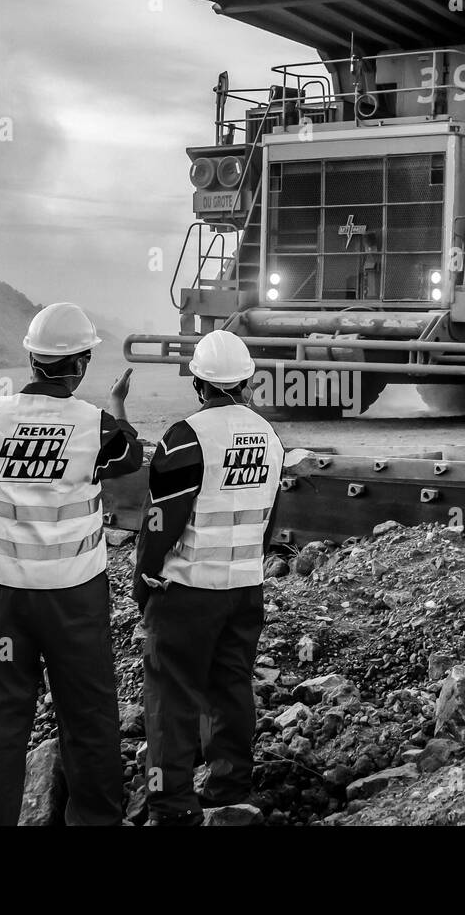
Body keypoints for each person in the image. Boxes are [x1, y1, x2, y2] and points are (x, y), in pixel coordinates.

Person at [0, 302, 142, 826]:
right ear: (81, 363)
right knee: (87, 714)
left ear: (32, 359)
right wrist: (117, 405)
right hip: (74, 597)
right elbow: (129, 456)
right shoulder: (95, 425)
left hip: (3, 593)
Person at [134, 329, 285, 825]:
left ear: (197, 382)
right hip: (244, 589)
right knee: (231, 687)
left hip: (187, 592)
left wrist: (145, 574)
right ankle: (230, 786)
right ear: (246, 381)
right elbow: (265, 518)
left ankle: (171, 803)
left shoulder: (185, 436)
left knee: (170, 696)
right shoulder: (269, 436)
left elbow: (161, 519)